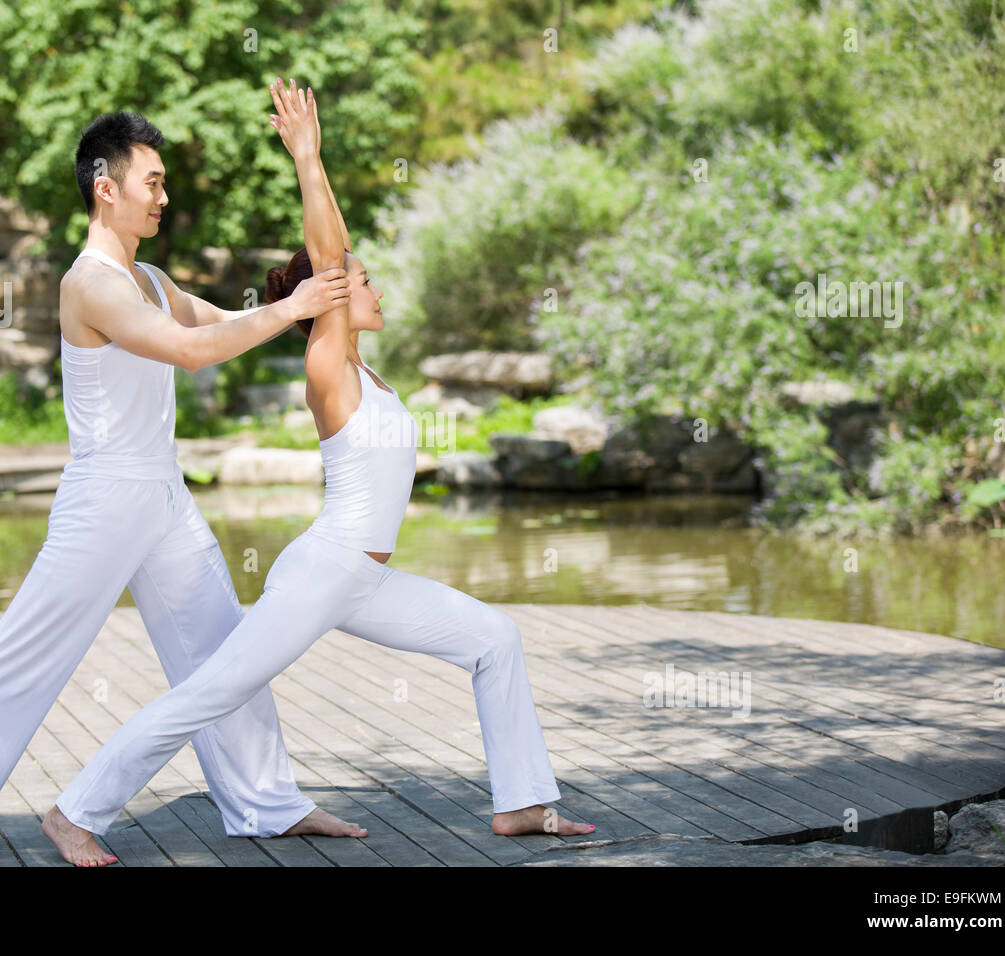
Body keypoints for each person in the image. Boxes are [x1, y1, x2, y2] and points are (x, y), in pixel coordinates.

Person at [41, 80, 593, 866]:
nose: (371, 286)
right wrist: (308, 155)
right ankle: (75, 811)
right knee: (212, 691)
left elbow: (336, 263)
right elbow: (329, 255)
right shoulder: (328, 361)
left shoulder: (368, 372)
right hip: (322, 571)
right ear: (331, 295)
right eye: (360, 279)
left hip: (366, 581)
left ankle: (524, 805)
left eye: (362, 278)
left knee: (495, 638)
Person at [0, 110, 364, 866]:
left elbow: (220, 322)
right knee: (25, 656)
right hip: (104, 497)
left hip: (162, 494)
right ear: (105, 189)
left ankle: (270, 805)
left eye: (164, 182)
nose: (163, 196)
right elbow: (190, 350)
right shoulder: (91, 284)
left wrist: (299, 310)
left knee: (221, 651)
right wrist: (291, 308)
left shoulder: (149, 279)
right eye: (153, 181)